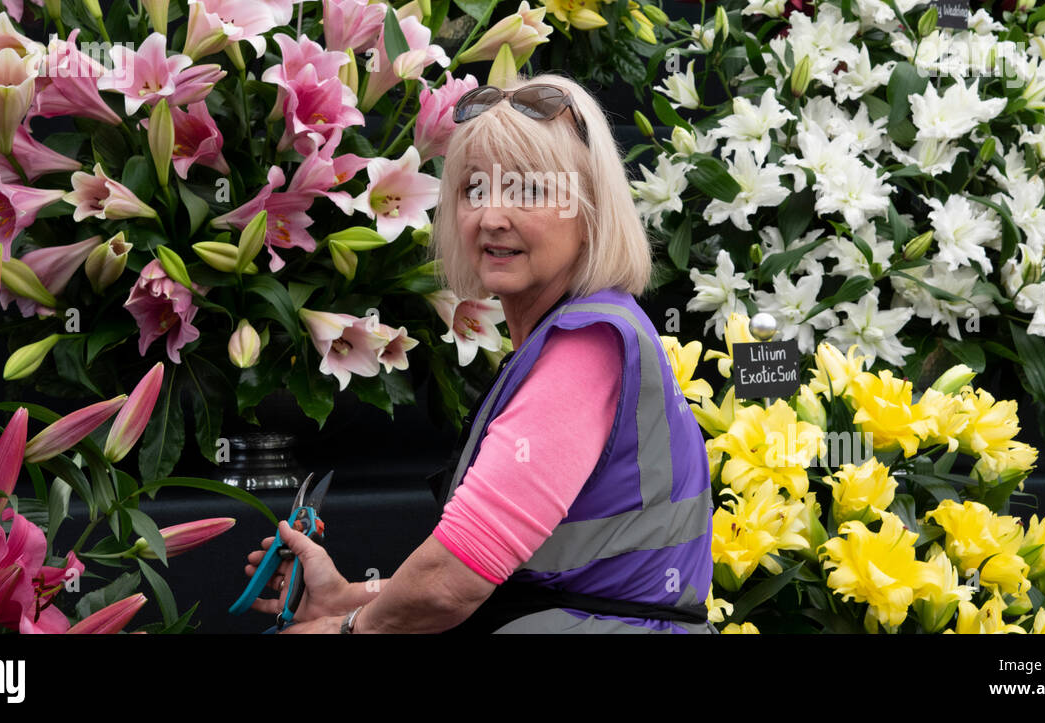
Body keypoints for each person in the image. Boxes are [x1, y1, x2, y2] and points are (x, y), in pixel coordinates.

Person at [243, 72, 714, 633]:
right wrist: (348, 597)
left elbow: (455, 580)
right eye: (474, 189)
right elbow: (526, 579)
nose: (492, 216)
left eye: (529, 191)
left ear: (590, 211)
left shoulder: (583, 348)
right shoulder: (582, 331)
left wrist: (352, 630)